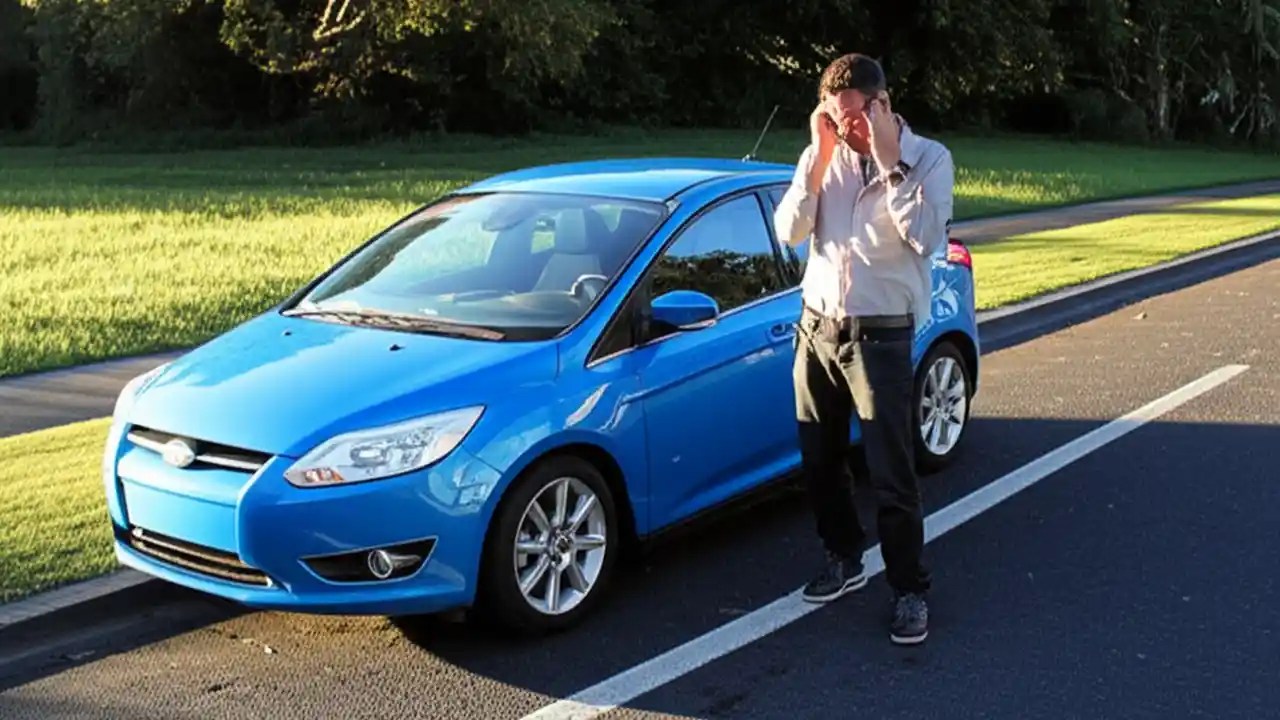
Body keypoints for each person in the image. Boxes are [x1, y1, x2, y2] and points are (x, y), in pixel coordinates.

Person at [773, 53, 954, 645]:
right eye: (835, 115)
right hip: (818, 328)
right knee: (819, 461)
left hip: (882, 335)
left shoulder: (928, 159)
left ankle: (908, 590)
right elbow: (789, 232)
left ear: (882, 104)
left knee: (891, 471)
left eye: (855, 116)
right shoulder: (819, 156)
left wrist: (887, 162)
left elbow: (926, 239)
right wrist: (820, 159)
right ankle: (843, 557)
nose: (846, 127)